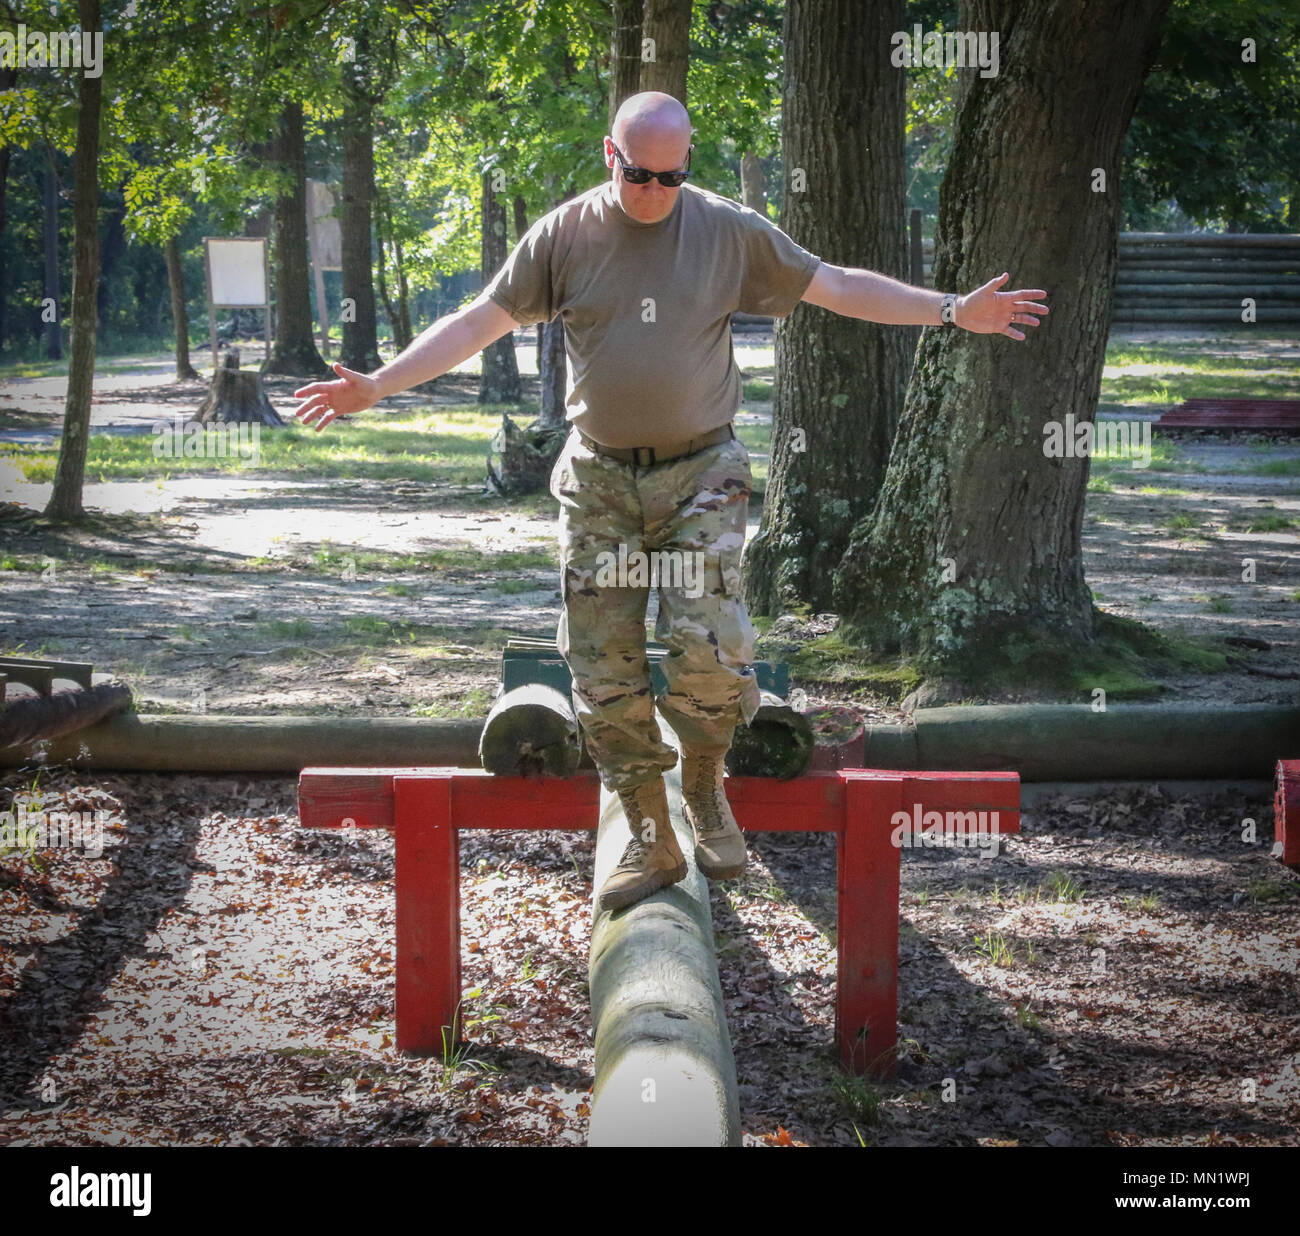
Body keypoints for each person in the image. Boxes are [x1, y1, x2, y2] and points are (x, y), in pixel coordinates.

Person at [290, 91, 1049, 915]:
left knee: (711, 651)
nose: (654, 190)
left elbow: (834, 285)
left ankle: (703, 776)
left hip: (702, 473)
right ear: (609, 155)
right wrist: (378, 384)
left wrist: (949, 310)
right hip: (600, 478)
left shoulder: (726, 229)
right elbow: (480, 321)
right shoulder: (565, 234)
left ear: (688, 163)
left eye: (671, 175)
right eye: (639, 174)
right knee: (603, 662)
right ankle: (649, 830)